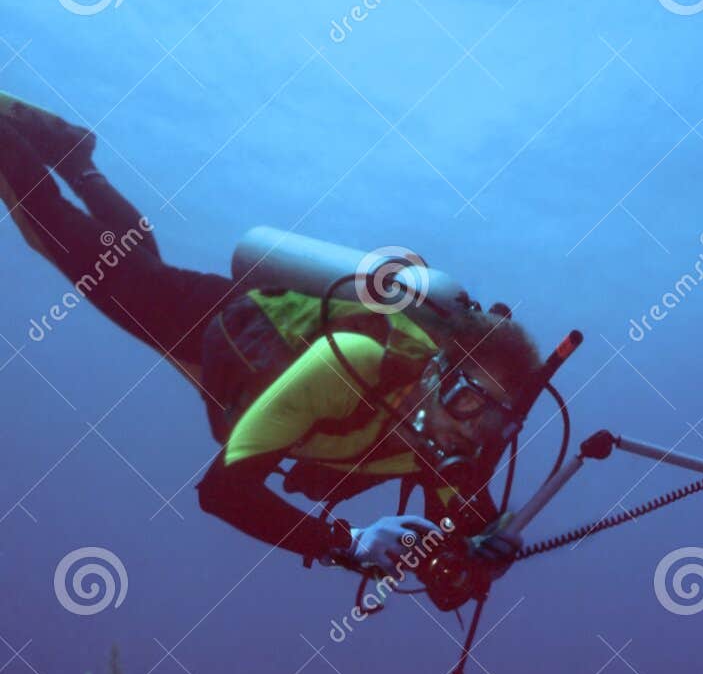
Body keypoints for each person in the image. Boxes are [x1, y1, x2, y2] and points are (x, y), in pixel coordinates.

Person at [0, 95, 537, 579]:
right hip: (214, 327)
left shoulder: (448, 451)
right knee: (59, 237)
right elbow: (224, 491)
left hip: (235, 380)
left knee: (131, 266)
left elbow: (464, 546)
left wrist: (490, 548)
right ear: (436, 371)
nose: (473, 433)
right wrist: (346, 540)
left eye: (498, 423)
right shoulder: (350, 360)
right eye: (468, 401)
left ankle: (78, 161)